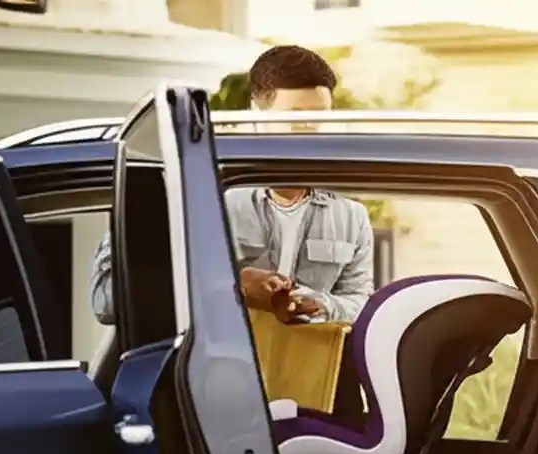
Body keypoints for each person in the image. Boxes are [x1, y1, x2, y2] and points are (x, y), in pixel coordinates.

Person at [90, 45, 374, 413]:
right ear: (258, 117)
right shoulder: (197, 191)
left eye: (321, 118)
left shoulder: (351, 215)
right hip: (209, 395)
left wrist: (317, 305)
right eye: (296, 117)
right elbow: (108, 298)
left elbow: (361, 301)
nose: (312, 131)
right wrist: (231, 285)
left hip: (313, 394)